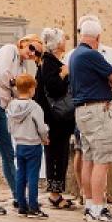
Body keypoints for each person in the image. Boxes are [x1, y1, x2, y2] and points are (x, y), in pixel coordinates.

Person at [0, 34, 43, 215]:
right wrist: (16, 84)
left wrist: (16, 86)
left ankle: (18, 197)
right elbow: (1, 74)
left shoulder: (21, 65)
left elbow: (15, 91)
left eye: (36, 53)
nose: (32, 53)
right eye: (31, 48)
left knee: (8, 152)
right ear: (23, 43)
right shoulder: (9, 50)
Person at [70, 16, 112, 222]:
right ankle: (98, 209)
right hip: (96, 111)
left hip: (82, 112)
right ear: (98, 37)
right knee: (103, 160)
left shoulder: (75, 55)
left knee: (89, 159)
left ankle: (89, 204)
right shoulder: (92, 55)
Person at [35, 27, 77, 210]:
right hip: (55, 120)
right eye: (63, 39)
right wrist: (64, 74)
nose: (65, 42)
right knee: (56, 156)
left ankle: (56, 193)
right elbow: (55, 89)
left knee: (58, 155)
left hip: (55, 119)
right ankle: (54, 195)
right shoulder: (50, 63)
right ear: (58, 43)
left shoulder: (50, 61)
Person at [8, 73, 50, 218]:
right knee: (33, 176)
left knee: (21, 175)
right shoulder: (35, 107)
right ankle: (33, 207)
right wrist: (45, 138)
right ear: (32, 89)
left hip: (19, 145)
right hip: (33, 145)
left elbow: (10, 126)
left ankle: (22, 206)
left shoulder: (12, 106)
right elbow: (41, 127)